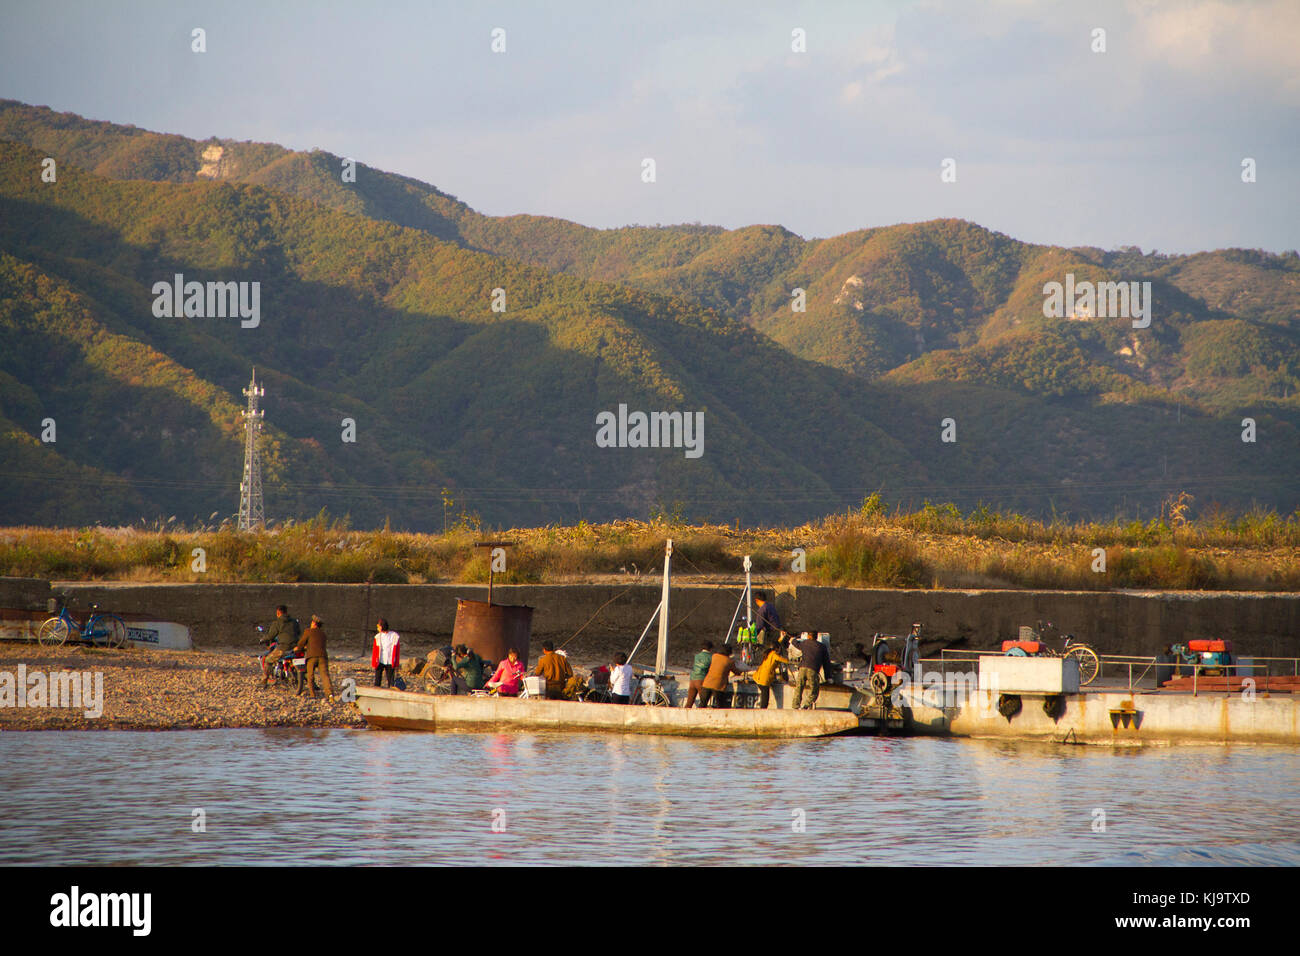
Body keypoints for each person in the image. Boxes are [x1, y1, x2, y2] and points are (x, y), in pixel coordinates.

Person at [259, 605, 301, 687]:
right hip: (295, 647)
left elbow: (271, 635)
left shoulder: (277, 623)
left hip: (283, 648)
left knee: (268, 660)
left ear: (278, 613)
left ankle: (264, 681)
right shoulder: (294, 622)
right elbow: (298, 632)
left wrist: (263, 639)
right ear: (286, 612)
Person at [295, 615, 334, 700]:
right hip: (323, 656)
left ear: (314, 624)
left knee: (310, 675)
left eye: (312, 622)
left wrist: (298, 650)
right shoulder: (323, 634)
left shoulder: (308, 631)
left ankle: (312, 694)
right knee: (325, 676)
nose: (311, 623)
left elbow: (301, 643)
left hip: (311, 656)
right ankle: (330, 694)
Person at [790, 631, 828, 709]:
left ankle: (795, 706)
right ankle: (806, 706)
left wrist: (792, 639)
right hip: (813, 670)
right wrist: (828, 676)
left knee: (799, 688)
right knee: (814, 691)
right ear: (816, 637)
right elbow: (826, 663)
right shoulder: (822, 647)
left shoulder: (805, 643)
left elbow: (796, 644)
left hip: (802, 668)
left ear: (808, 636)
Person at [701, 643, 740, 709]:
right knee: (720, 705)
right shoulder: (729, 661)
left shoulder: (714, 656)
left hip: (707, 683)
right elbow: (737, 672)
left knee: (702, 704)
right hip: (718, 685)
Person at [752, 642, 789, 709]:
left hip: (758, 677)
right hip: (764, 679)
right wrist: (790, 661)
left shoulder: (768, 653)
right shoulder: (774, 655)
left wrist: (781, 639)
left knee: (764, 697)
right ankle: (763, 712)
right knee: (765, 699)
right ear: (777, 649)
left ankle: (762, 709)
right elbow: (783, 660)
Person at [371, 618, 400, 688]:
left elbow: (397, 651)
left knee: (391, 680)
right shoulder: (378, 637)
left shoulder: (394, 636)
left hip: (390, 660)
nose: (377, 627)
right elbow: (375, 651)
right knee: (377, 679)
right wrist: (374, 662)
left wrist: (396, 663)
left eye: (379, 626)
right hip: (380, 660)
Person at [685, 640, 714, 708]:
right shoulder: (711, 657)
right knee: (703, 702)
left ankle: (682, 716)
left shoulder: (697, 656)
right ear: (710, 648)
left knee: (689, 702)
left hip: (692, 680)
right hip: (702, 680)